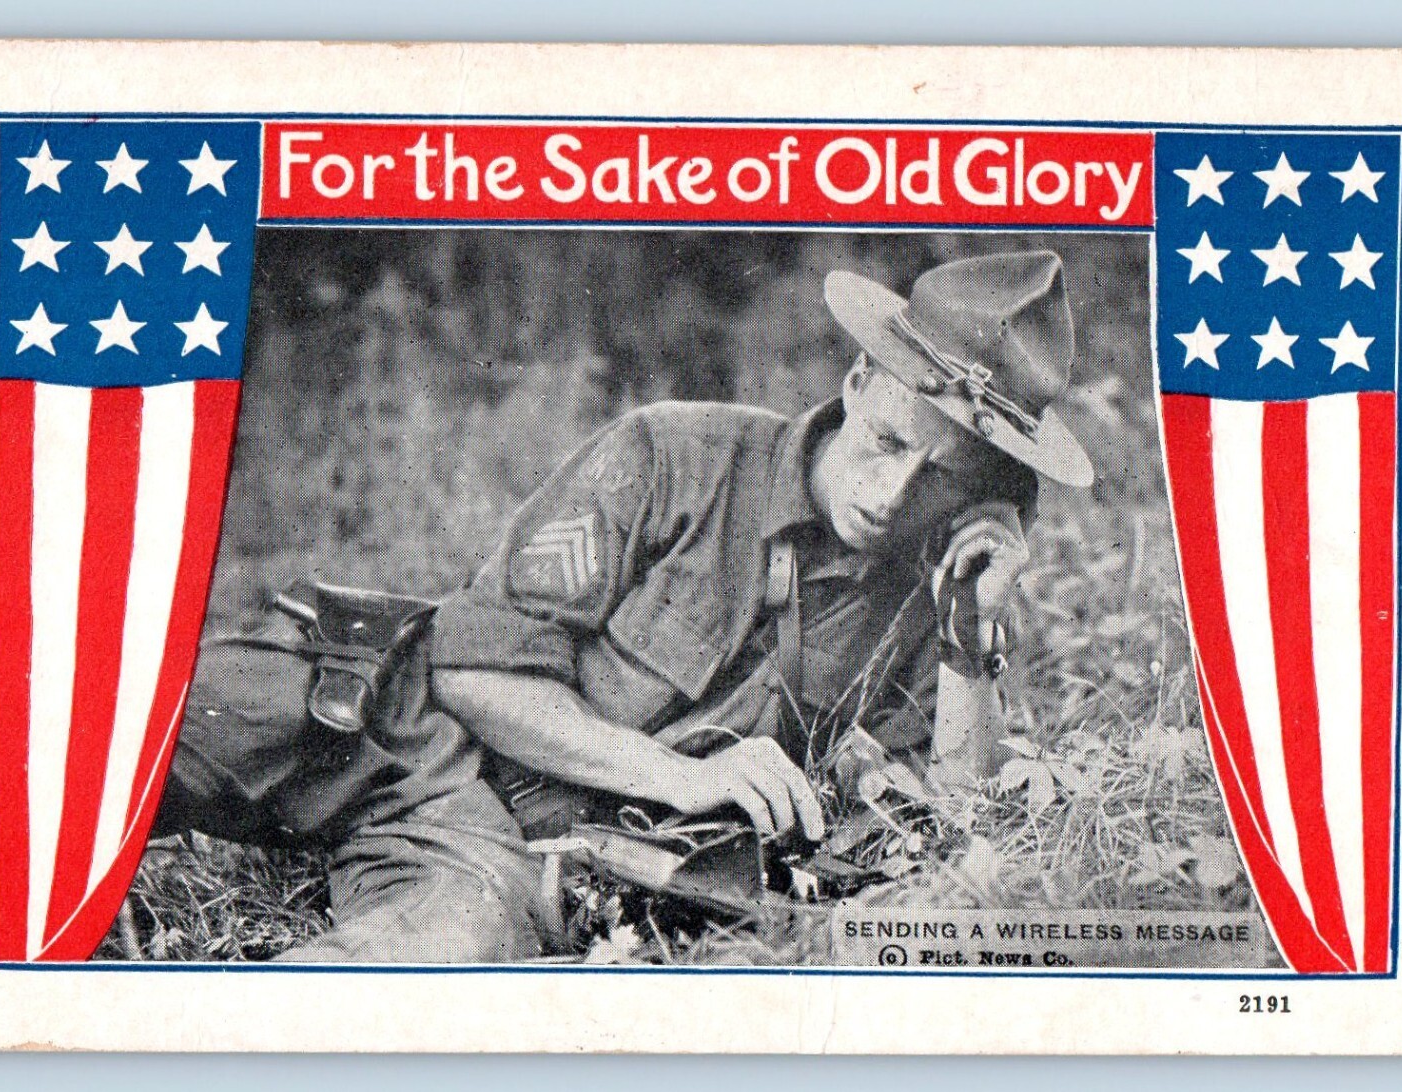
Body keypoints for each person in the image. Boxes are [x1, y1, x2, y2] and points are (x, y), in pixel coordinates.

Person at [152, 249, 1095, 963]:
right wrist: (676, 776)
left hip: (491, 843)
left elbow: (962, 837)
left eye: (938, 479)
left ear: (987, 495)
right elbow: (474, 671)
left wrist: (973, 640)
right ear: (855, 384)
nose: (892, 495)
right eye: (888, 440)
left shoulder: (927, 605)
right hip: (384, 712)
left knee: (398, 980)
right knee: (95, 734)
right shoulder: (672, 455)